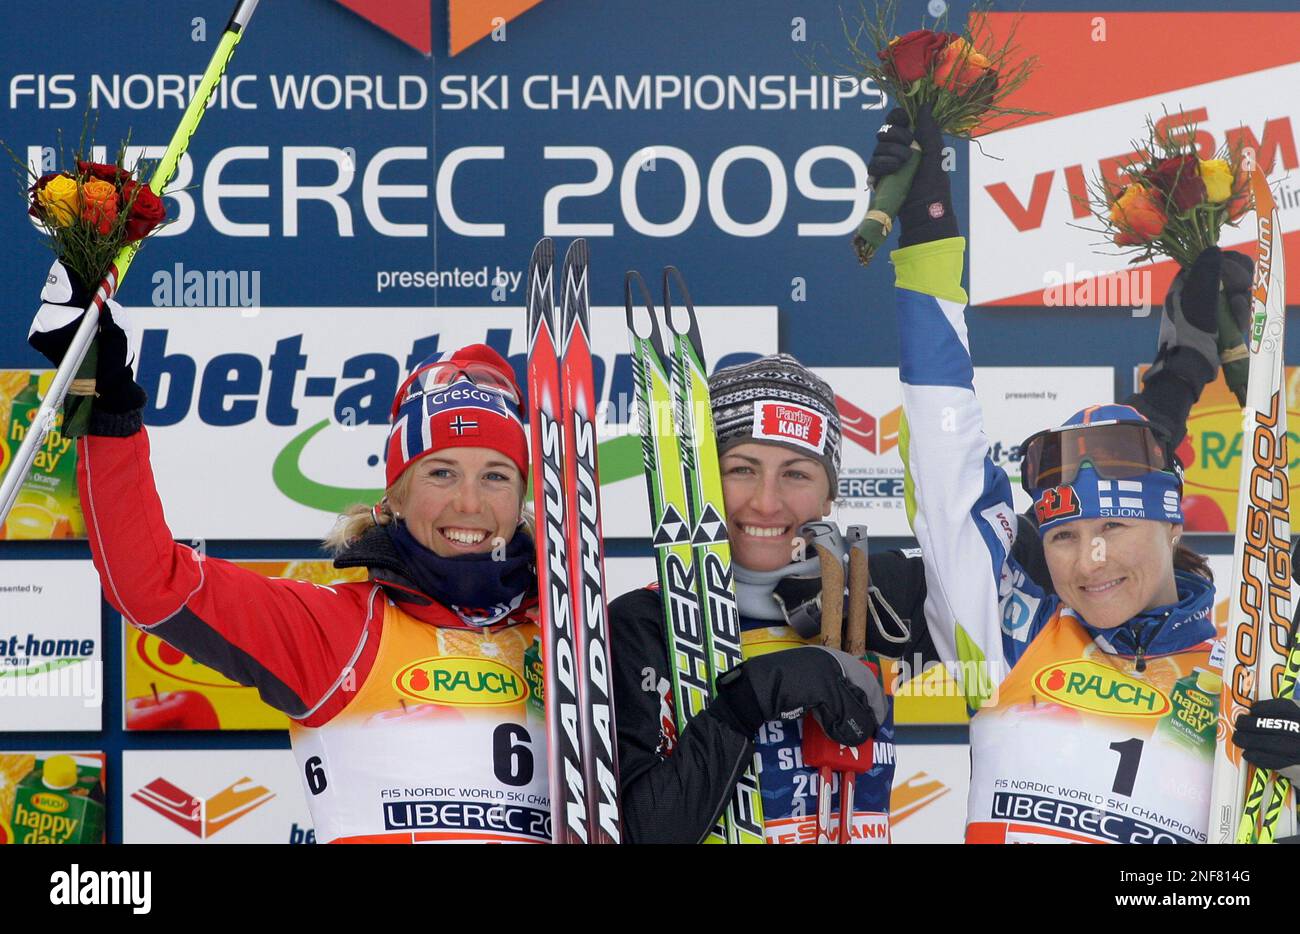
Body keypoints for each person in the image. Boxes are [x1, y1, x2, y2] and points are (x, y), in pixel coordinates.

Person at [28, 260, 546, 844]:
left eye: (497, 476)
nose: (469, 504)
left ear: (526, 497)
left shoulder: (575, 645)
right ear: (396, 495)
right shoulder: (337, 633)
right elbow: (150, 581)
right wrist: (109, 406)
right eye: (442, 472)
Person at [868, 105, 1265, 843]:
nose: (1090, 561)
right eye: (1062, 537)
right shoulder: (1008, 629)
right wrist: (925, 233)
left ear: (1173, 520)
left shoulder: (1249, 670)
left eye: (1115, 525)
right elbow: (943, 454)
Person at [610, 354, 936, 844]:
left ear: (831, 495)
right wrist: (748, 701)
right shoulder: (645, 624)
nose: (766, 501)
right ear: (702, 482)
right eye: (741, 469)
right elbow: (641, 833)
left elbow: (1026, 578)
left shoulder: (879, 599)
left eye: (797, 473)